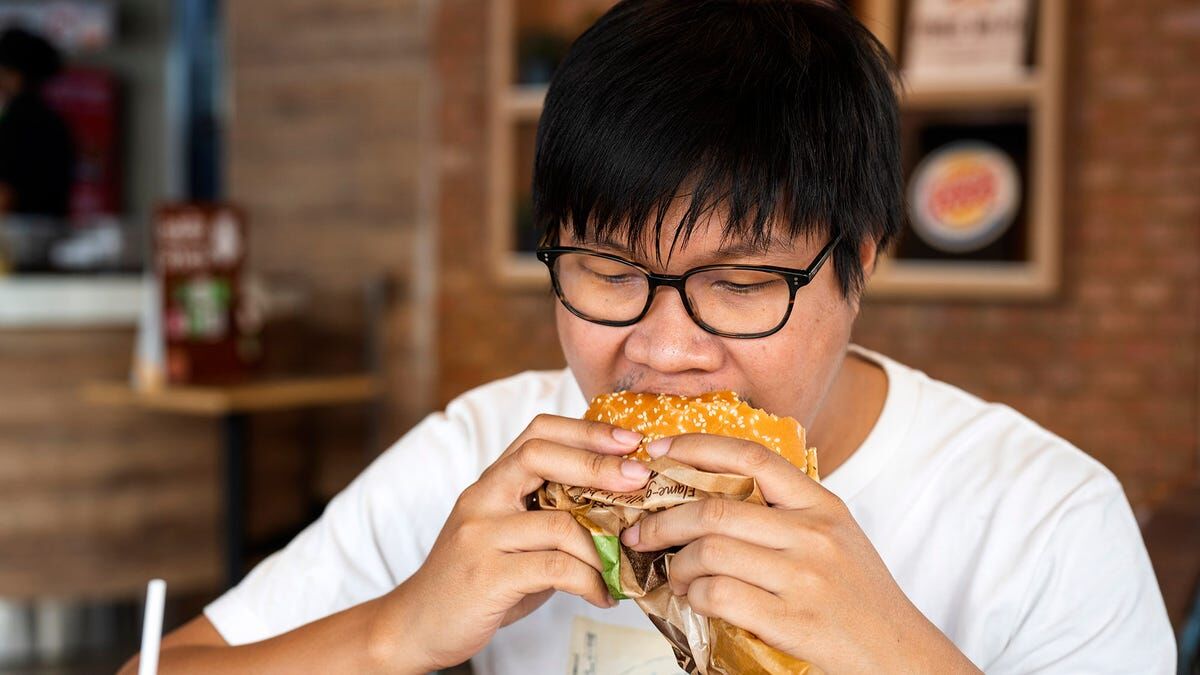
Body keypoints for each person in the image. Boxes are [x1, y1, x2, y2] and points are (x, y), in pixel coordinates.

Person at [121, 1, 1175, 673]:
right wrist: (396, 630)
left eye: (742, 281)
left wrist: (896, 656)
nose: (665, 350)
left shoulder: (1043, 518)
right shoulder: (488, 454)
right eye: (612, 272)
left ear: (867, 255)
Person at [0, 26, 74, 219]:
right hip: (50, 234)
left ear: (14, 74)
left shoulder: (15, 121)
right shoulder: (55, 122)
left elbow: (5, 194)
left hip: (15, 240)